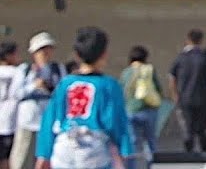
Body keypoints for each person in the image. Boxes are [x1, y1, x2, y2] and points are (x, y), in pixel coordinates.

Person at [34, 27, 133, 169]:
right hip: (94, 149)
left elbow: (49, 119)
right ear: (104, 54)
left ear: (76, 55)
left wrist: (43, 154)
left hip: (64, 147)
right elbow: (116, 121)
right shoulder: (109, 85)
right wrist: (125, 150)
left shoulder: (65, 83)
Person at [12, 33, 64, 169]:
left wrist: (49, 88)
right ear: (34, 52)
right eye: (41, 50)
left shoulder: (58, 69)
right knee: (21, 159)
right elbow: (16, 94)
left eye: (48, 49)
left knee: (45, 161)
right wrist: (35, 85)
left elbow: (62, 93)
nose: (45, 53)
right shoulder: (24, 70)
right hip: (28, 122)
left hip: (48, 122)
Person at [168, 29, 206, 154]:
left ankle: (188, 153)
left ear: (188, 40)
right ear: (201, 40)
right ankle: (205, 152)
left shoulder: (180, 58)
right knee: (203, 128)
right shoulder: (205, 58)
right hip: (204, 98)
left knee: (188, 128)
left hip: (185, 98)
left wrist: (175, 95)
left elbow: (172, 78)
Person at [119, 47, 164, 169]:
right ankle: (151, 165)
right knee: (150, 141)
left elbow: (121, 93)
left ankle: (131, 166)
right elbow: (158, 89)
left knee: (132, 142)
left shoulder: (126, 72)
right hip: (149, 109)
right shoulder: (149, 70)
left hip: (131, 111)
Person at [0, 42, 21, 169]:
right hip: (9, 122)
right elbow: (19, 93)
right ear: (8, 55)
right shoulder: (18, 72)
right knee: (7, 159)